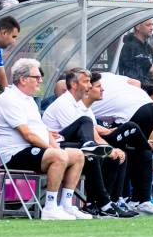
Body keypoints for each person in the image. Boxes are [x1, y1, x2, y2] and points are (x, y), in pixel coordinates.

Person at [0, 58, 93, 219]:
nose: (40, 80)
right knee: (59, 156)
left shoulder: (29, 100)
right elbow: (28, 135)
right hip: (14, 154)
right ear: (23, 79)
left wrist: (58, 149)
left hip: (31, 149)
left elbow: (43, 131)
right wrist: (55, 151)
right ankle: (50, 208)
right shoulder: (9, 99)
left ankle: (67, 205)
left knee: (78, 155)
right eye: (37, 77)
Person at [42, 69, 134, 218]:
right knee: (91, 150)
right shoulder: (64, 103)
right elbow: (78, 134)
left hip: (72, 145)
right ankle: (101, 203)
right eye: (86, 82)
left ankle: (108, 202)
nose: (90, 86)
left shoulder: (82, 106)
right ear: (73, 84)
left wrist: (111, 149)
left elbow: (93, 134)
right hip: (56, 146)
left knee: (115, 155)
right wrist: (97, 146)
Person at [89, 71, 153, 215]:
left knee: (128, 151)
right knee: (128, 150)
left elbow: (92, 128)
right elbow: (136, 83)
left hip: (133, 112)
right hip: (147, 108)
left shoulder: (87, 102)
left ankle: (129, 200)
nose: (103, 89)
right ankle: (132, 200)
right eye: (99, 86)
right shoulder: (84, 101)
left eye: (101, 86)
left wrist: (109, 132)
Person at [117, 19, 153, 86]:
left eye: (152, 25)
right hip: (134, 89)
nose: (152, 28)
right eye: (148, 25)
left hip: (146, 87)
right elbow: (151, 71)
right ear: (137, 27)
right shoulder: (130, 46)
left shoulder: (147, 46)